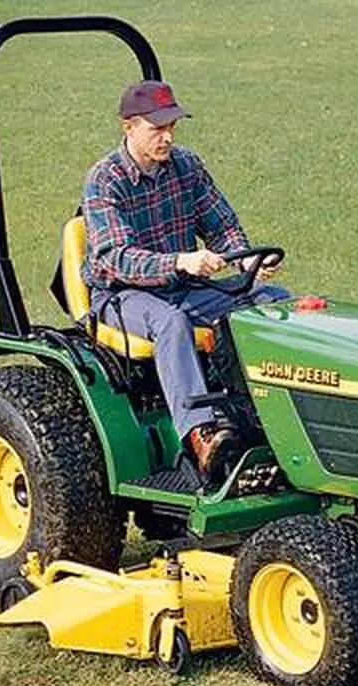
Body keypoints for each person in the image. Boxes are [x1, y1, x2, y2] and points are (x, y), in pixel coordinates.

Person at [81, 80, 289, 483]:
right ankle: (202, 434)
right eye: (157, 128)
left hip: (184, 287)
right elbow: (116, 258)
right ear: (129, 127)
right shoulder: (105, 181)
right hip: (123, 294)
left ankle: (267, 412)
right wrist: (181, 261)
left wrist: (248, 261)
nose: (167, 137)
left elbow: (222, 225)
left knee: (272, 302)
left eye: (172, 126)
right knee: (170, 323)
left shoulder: (186, 166)